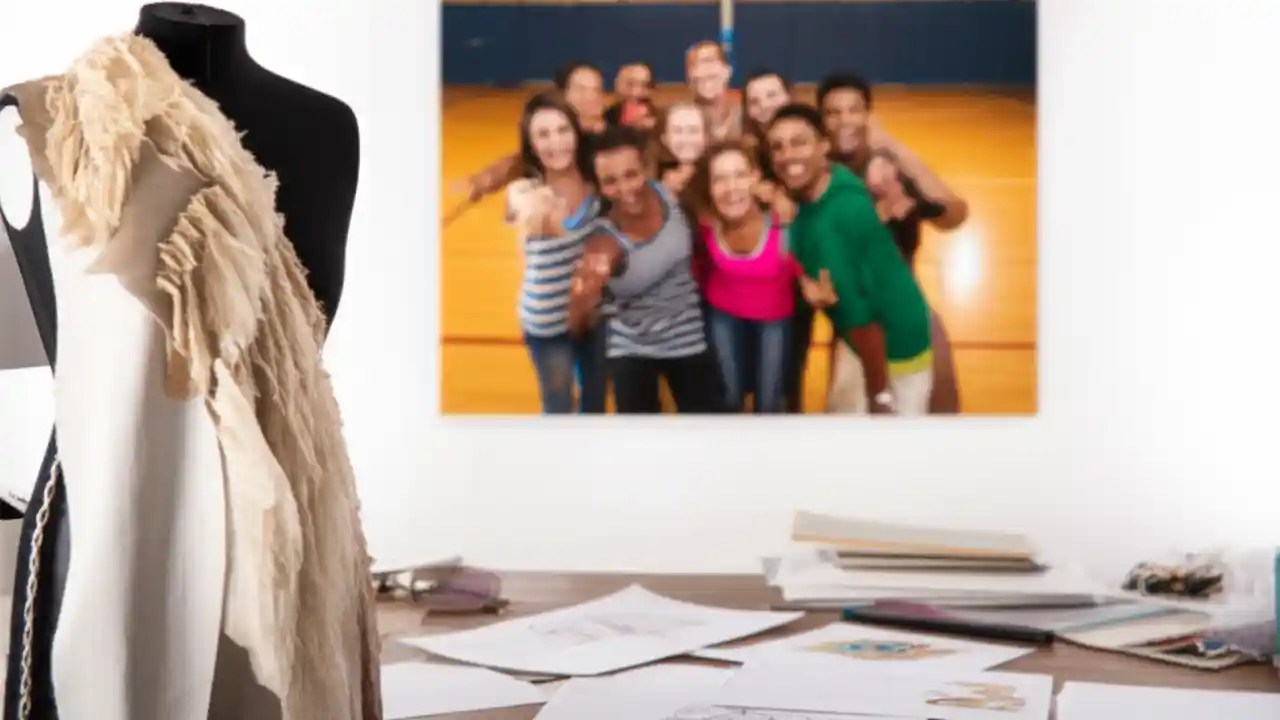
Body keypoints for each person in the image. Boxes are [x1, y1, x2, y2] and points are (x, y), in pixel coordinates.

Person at [766, 103, 934, 415]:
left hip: (894, 347)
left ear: (823, 146)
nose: (787, 155)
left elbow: (865, 325)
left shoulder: (835, 222)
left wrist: (879, 396)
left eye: (799, 142)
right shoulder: (832, 182)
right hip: (862, 341)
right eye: (778, 147)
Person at [818, 73, 967, 412]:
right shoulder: (819, 176)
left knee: (939, 407)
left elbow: (955, 215)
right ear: (822, 122)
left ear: (869, 116)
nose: (844, 120)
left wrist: (893, 149)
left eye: (854, 110)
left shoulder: (893, 166)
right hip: (855, 320)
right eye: (833, 112)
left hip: (907, 307)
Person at [567, 126, 722, 413]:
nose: (625, 189)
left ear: (645, 168)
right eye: (610, 181)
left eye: (631, 174)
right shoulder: (603, 241)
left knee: (707, 430)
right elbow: (577, 317)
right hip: (632, 348)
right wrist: (588, 298)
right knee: (640, 440)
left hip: (687, 337)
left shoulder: (672, 197)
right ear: (599, 186)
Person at [506, 92, 608, 413]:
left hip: (594, 315)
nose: (556, 142)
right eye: (543, 134)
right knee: (559, 404)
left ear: (576, 132)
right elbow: (522, 209)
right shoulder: (526, 188)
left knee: (595, 400)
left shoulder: (595, 180)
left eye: (563, 130)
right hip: (547, 323)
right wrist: (537, 212)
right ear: (531, 143)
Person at [688, 141, 801, 413]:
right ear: (710, 187)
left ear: (757, 178)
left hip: (774, 320)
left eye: (740, 175)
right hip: (722, 316)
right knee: (729, 397)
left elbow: (808, 268)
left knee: (769, 403)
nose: (731, 187)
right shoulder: (705, 223)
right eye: (720, 179)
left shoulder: (782, 220)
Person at [464, 61, 609, 201]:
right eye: (581, 89)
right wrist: (489, 177)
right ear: (561, 95)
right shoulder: (559, 137)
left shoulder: (614, 135)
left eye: (596, 90)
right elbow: (521, 161)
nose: (591, 97)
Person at [652, 101, 712, 196]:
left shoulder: (715, 176)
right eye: (677, 131)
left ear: (706, 137)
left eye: (693, 131)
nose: (685, 138)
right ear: (664, 138)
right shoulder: (654, 180)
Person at [685, 41, 741, 142]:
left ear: (728, 70)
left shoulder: (745, 116)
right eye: (696, 65)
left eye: (709, 61)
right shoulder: (683, 121)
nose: (704, 70)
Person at [605, 61, 657, 130]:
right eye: (631, 84)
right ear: (618, 86)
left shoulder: (659, 119)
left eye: (645, 85)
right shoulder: (607, 120)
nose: (637, 92)